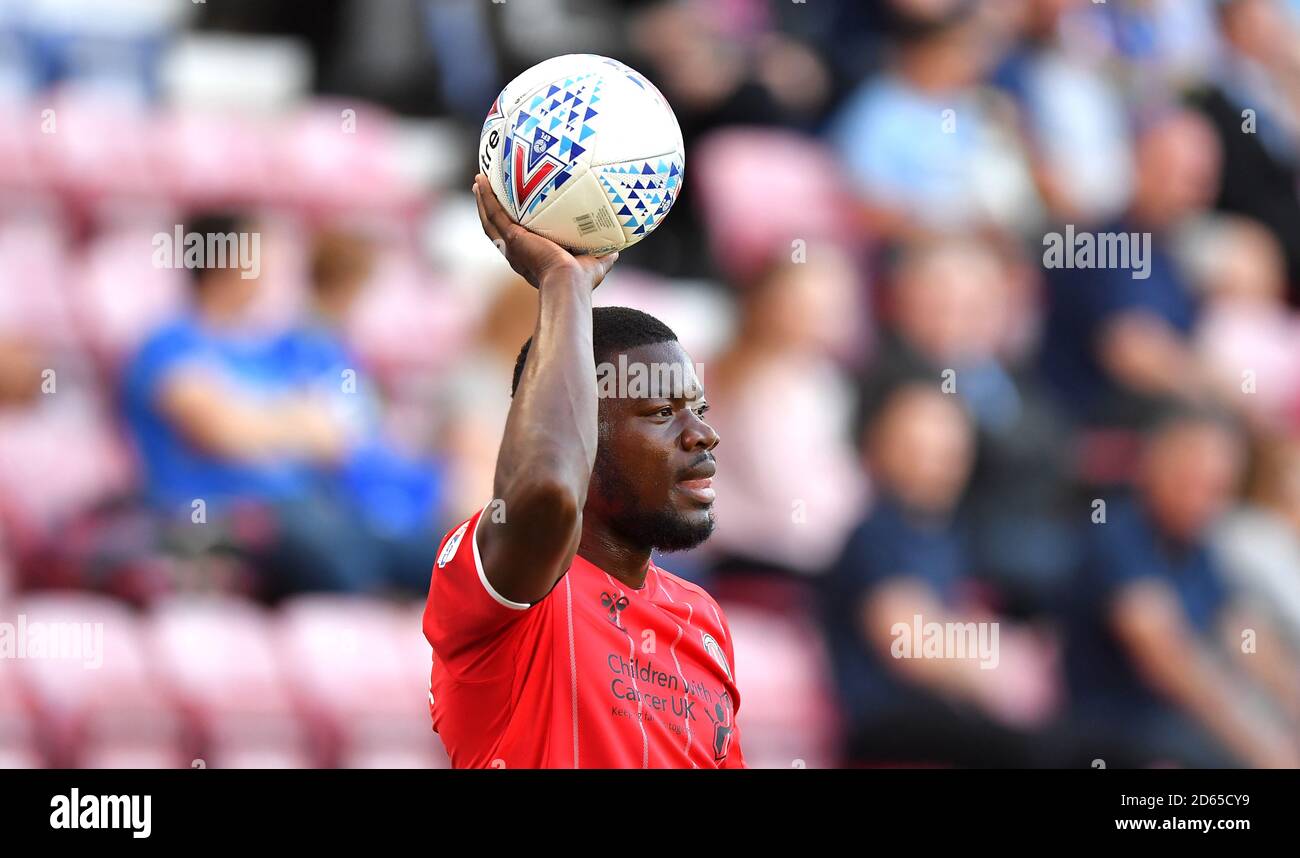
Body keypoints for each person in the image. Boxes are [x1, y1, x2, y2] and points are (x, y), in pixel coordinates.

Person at [422, 175, 745, 769]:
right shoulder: (510, 585)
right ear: (581, 434)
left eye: (698, 409)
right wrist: (563, 280)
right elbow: (546, 488)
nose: (702, 434)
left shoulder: (703, 620)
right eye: (661, 413)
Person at [822, 384, 1062, 767]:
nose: (932, 467)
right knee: (1036, 748)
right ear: (879, 450)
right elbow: (909, 645)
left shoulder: (944, 534)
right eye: (916, 451)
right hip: (885, 718)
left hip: (938, 711)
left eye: (947, 455)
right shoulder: (877, 533)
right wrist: (1001, 675)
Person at [1064, 409, 1300, 768]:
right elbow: (1172, 664)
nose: (1200, 499)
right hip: (1121, 726)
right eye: (1189, 481)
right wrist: (1268, 752)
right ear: (1154, 465)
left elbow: (1248, 639)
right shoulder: (1117, 535)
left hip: (1179, 721)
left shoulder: (1200, 546)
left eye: (1216, 489)